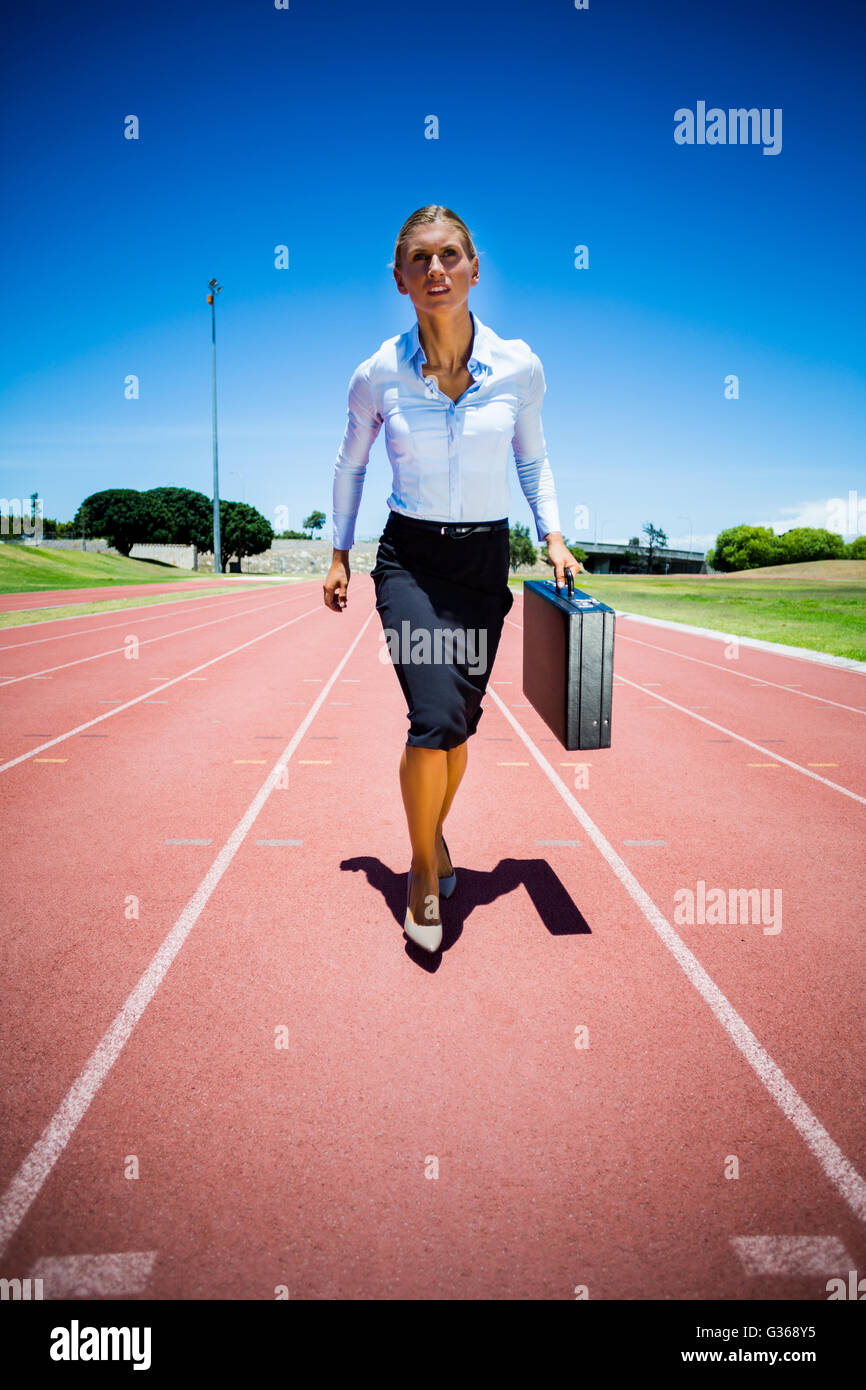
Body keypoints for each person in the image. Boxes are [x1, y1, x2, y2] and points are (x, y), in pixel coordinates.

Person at [324, 205, 576, 954]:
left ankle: (432, 843)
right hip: (410, 561)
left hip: (481, 564)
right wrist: (340, 552)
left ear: (474, 269)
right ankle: (422, 876)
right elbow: (352, 466)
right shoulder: (378, 373)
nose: (437, 270)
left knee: (457, 724)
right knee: (432, 716)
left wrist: (554, 538)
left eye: (451, 256)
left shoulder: (519, 368)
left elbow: (532, 461)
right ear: (400, 279)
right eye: (420, 259)